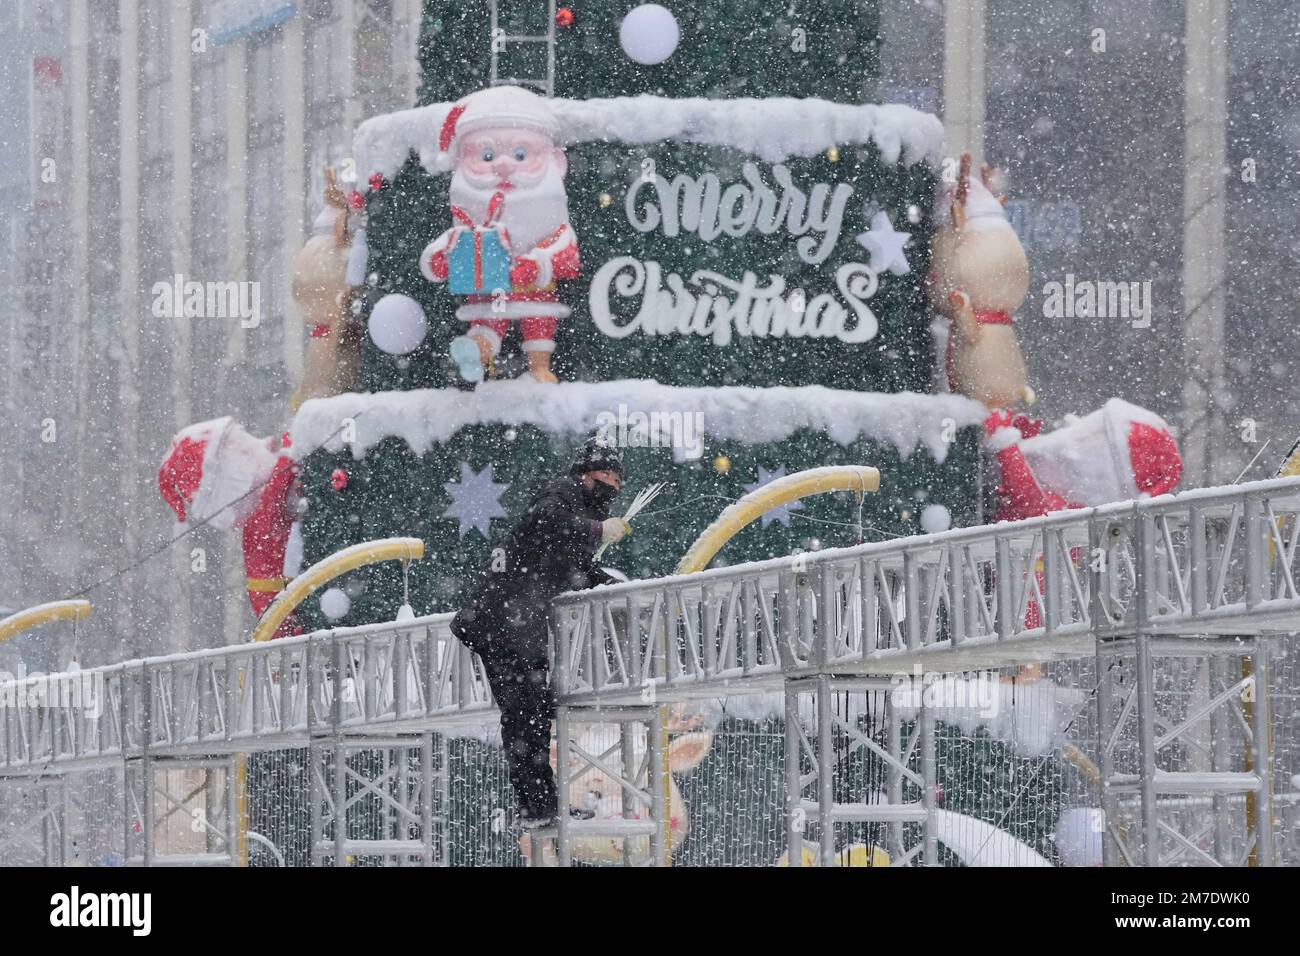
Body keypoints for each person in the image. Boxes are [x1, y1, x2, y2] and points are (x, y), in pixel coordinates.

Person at [450, 434, 631, 828]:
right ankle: (538, 807)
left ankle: (540, 804)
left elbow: (572, 570)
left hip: (513, 625)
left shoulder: (571, 512)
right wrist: (598, 531)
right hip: (504, 624)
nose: (614, 489)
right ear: (588, 474)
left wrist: (615, 587)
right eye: (610, 479)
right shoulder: (561, 494)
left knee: (532, 714)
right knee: (525, 716)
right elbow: (544, 524)